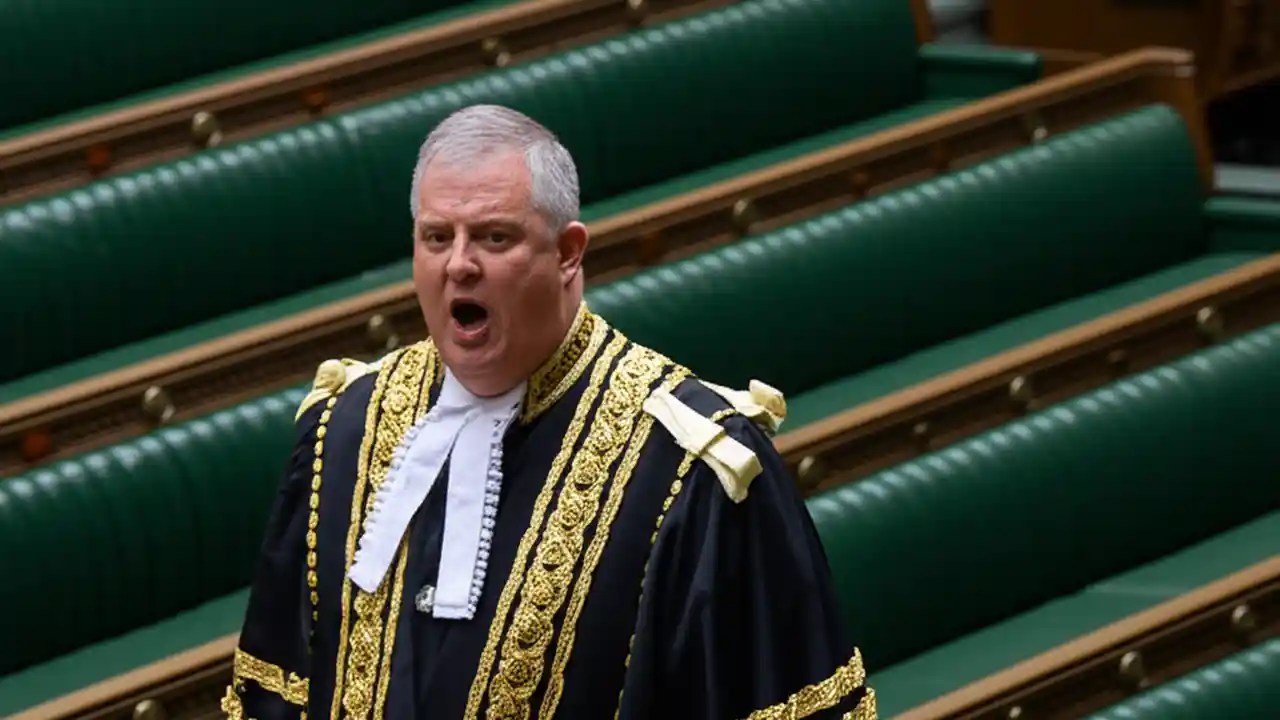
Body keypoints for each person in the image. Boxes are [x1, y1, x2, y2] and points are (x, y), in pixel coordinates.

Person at [222, 104, 875, 720]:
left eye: (494, 237)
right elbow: (274, 694)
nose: (459, 265)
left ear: (568, 253)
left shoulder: (693, 470)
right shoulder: (343, 428)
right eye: (436, 237)